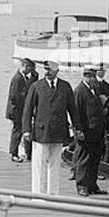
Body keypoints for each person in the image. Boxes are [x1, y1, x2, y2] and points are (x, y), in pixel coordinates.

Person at [21, 60, 78, 196]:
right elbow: (28, 110)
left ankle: (53, 194)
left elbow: (73, 110)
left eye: (50, 70)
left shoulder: (65, 87)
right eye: (45, 69)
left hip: (59, 132)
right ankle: (38, 195)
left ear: (57, 71)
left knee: (55, 165)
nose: (46, 72)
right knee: (39, 166)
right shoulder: (36, 86)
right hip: (41, 132)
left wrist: (77, 127)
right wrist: (26, 130)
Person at [72, 68, 108, 196]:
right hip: (86, 131)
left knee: (95, 158)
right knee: (83, 159)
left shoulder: (95, 90)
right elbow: (75, 113)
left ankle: (92, 185)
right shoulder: (79, 91)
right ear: (88, 77)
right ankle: (81, 185)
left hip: (97, 131)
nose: (95, 80)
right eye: (93, 77)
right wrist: (78, 130)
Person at [5, 58, 38, 162]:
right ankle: (14, 153)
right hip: (17, 110)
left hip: (25, 109)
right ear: (24, 66)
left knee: (28, 130)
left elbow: (34, 84)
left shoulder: (27, 78)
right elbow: (14, 96)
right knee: (17, 131)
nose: (31, 71)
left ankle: (29, 153)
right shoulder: (17, 79)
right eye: (30, 68)